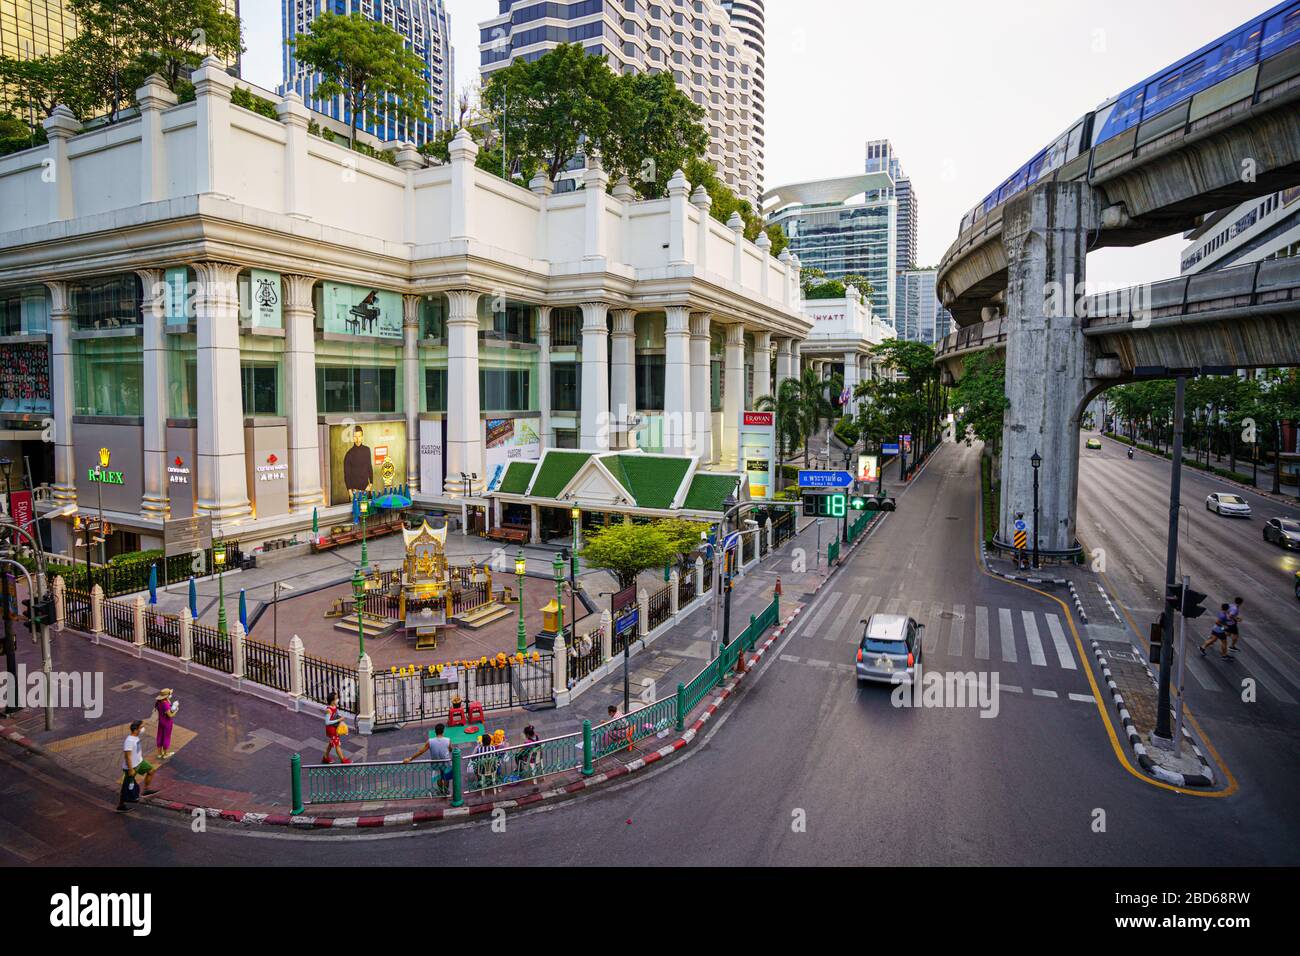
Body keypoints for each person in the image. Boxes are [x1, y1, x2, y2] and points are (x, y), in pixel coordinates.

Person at [118, 719, 159, 812]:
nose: (143, 729)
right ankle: (121, 805)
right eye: (141, 727)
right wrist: (131, 769)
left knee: (151, 770)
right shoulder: (129, 741)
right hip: (132, 767)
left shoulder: (136, 737)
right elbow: (127, 756)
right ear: (136, 729)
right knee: (126, 786)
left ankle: (146, 790)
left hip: (140, 762)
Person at [403, 723, 453, 795]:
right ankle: (446, 790)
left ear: (435, 732)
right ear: (443, 731)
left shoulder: (430, 741)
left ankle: (441, 791)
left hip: (436, 763)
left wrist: (410, 758)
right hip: (446, 762)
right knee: (446, 777)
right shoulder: (448, 740)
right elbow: (451, 749)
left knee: (438, 777)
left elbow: (421, 752)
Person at [342, 425, 373, 495]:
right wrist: (350, 492)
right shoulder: (349, 454)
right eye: (355, 436)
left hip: (366, 489)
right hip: (354, 491)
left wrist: (371, 483)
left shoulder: (367, 450)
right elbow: (347, 475)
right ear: (352, 438)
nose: (358, 439)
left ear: (362, 437)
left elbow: (369, 467)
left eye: (359, 436)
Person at [321, 691, 351, 764]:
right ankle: (343, 759)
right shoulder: (328, 710)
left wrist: (339, 717)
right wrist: (339, 719)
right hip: (331, 729)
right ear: (332, 701)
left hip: (335, 728)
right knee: (337, 744)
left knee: (332, 743)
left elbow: (335, 714)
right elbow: (327, 722)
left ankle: (325, 757)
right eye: (336, 698)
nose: (338, 699)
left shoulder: (334, 707)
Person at [154, 689, 179, 761]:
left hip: (161, 721)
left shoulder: (158, 702)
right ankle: (165, 754)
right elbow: (170, 715)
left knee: (160, 736)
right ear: (167, 695)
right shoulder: (165, 704)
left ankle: (159, 753)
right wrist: (176, 710)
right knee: (166, 737)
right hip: (167, 723)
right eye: (170, 694)